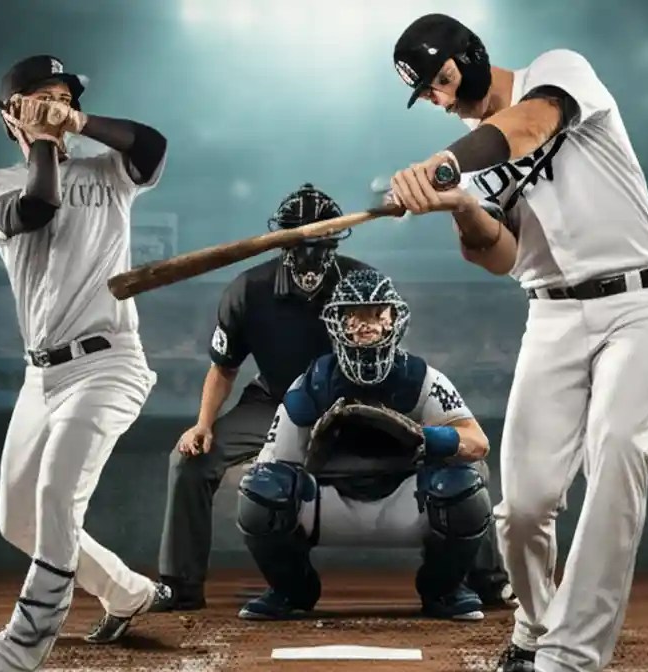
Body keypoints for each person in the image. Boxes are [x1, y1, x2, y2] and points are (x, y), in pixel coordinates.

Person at [388, 15, 648, 672]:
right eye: (426, 94)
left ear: (470, 56)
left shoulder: (556, 72)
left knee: (617, 456)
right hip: (552, 315)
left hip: (641, 304)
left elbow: (530, 126)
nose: (439, 97)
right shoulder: (474, 159)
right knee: (523, 508)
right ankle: (533, 623)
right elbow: (500, 255)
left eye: (440, 80)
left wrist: (446, 165)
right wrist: (461, 203)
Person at [0, 55, 173, 672]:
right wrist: (39, 138)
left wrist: (76, 119)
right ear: (11, 112)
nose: (58, 102)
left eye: (65, 94)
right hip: (40, 375)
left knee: (55, 498)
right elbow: (37, 210)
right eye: (43, 94)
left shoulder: (109, 171)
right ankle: (129, 592)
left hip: (110, 363)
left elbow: (151, 145)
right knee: (18, 521)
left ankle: (15, 661)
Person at [154, 185, 514, 613]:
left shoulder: (362, 282)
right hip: (277, 399)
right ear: (283, 240)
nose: (309, 256)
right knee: (197, 462)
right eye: (300, 244)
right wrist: (202, 423)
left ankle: (487, 582)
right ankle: (184, 585)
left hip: (359, 394)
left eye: (320, 244)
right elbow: (224, 367)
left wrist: (408, 424)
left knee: (467, 466)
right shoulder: (249, 289)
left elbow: (388, 354)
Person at [236, 268, 494, 622]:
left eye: (377, 313)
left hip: (405, 502)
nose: (367, 323)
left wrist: (426, 437)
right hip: (330, 503)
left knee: (464, 486)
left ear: (393, 320)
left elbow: (478, 443)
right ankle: (291, 589)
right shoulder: (313, 382)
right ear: (337, 323)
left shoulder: (420, 378)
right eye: (355, 314)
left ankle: (443, 590)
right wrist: (313, 456)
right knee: (261, 490)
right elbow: (272, 465)